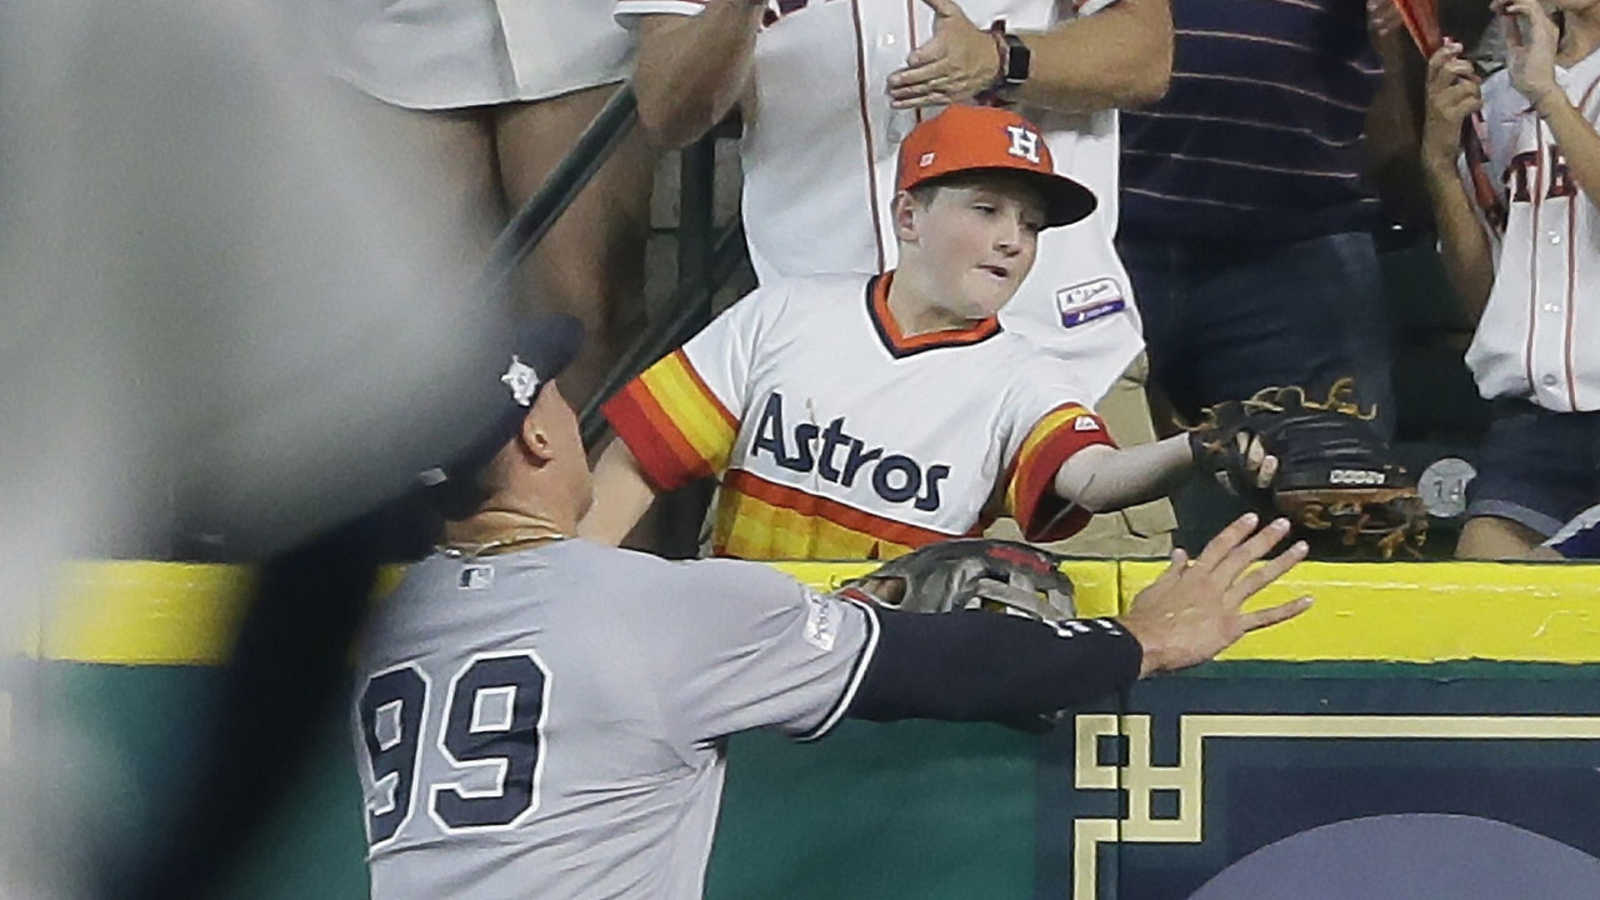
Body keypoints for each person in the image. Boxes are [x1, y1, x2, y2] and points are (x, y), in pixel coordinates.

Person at [352, 310, 1311, 900]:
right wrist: (1135, 640)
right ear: (538, 444)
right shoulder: (657, 608)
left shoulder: (392, 629)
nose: (573, 407)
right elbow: (933, 667)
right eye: (556, 397)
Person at [577, 106, 1270, 558]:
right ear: (908, 217)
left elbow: (1094, 479)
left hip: (883, 671)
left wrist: (1197, 448)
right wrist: (571, 584)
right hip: (730, 644)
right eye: (987, 209)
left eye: (1029, 225)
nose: (1012, 241)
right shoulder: (786, 313)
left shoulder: (1029, 377)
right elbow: (640, 455)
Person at [622, 0, 1178, 554]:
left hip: (1060, 365)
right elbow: (668, 107)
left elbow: (1146, 53)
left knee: (1098, 631)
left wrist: (998, 57)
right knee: (761, 632)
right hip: (806, 401)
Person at [310, 0, 655, 406]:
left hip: (583, 25)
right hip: (386, 37)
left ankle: (600, 466)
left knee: (587, 312)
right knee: (434, 324)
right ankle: (460, 469)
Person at [1116, 0, 1399, 438]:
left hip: (1300, 239)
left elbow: (1394, 117)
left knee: (1331, 483)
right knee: (1058, 476)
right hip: (1102, 232)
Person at [1423, 0, 1600, 559]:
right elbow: (1485, 298)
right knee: (1479, 610)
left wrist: (1549, 97)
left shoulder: (1535, 86)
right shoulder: (1502, 95)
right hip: (1536, 422)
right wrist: (1438, 163)